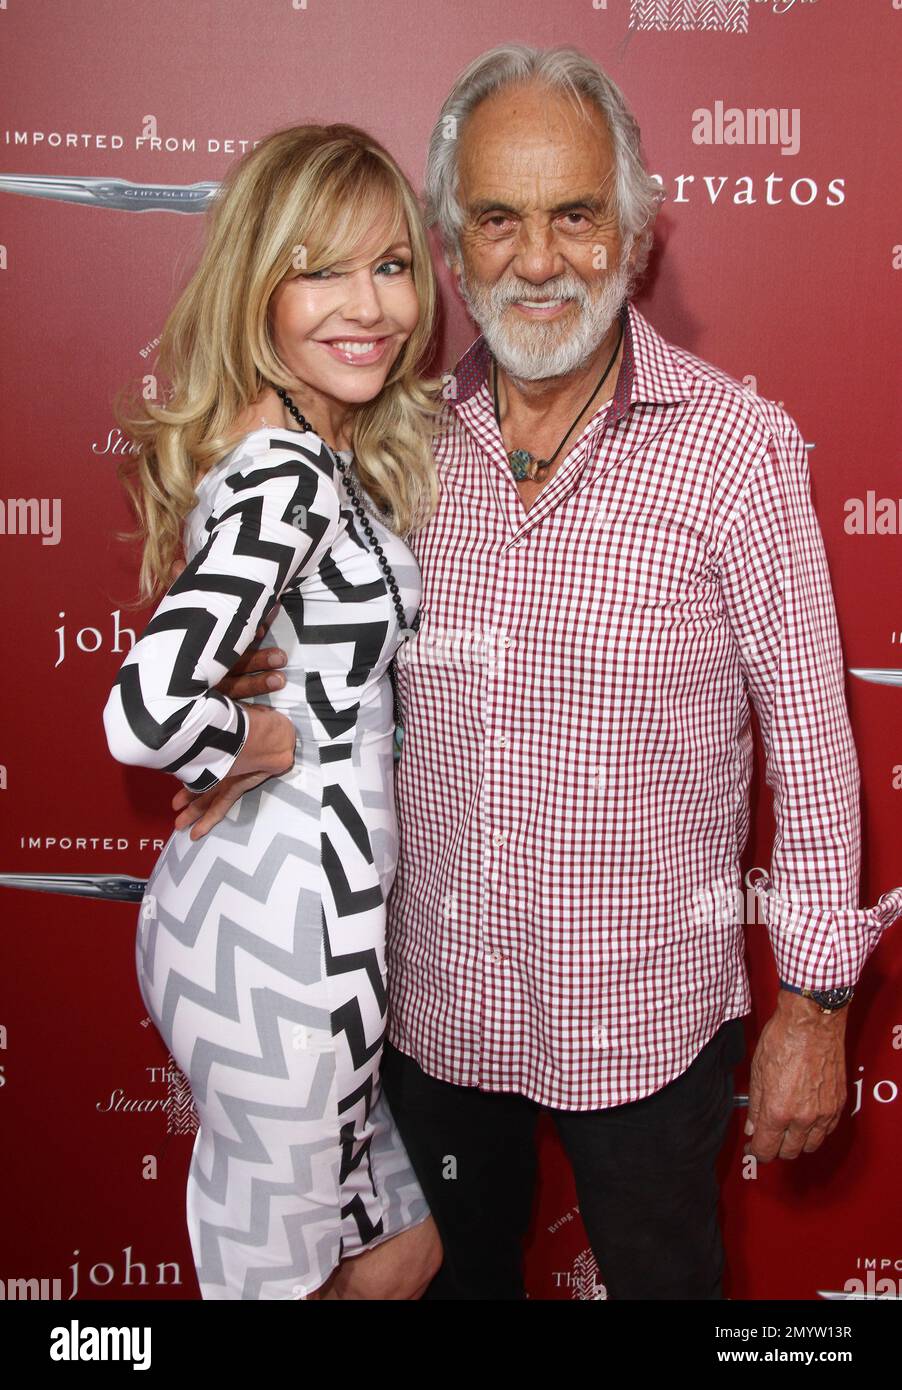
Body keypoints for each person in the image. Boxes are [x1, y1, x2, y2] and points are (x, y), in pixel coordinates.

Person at [167, 45, 902, 1301]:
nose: (539, 259)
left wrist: (816, 1007)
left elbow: (813, 749)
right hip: (433, 1011)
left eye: (576, 215)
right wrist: (245, 716)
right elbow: (287, 634)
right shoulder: (387, 446)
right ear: (451, 249)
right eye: (497, 220)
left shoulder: (736, 450)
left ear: (634, 233)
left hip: (647, 1025)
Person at [102, 122, 444, 1300]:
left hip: (304, 916)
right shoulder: (285, 472)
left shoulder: (311, 447)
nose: (369, 306)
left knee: (399, 1247)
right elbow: (146, 711)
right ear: (260, 288)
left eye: (390, 265)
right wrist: (264, 735)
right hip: (284, 938)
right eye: (321, 271)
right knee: (273, 1281)